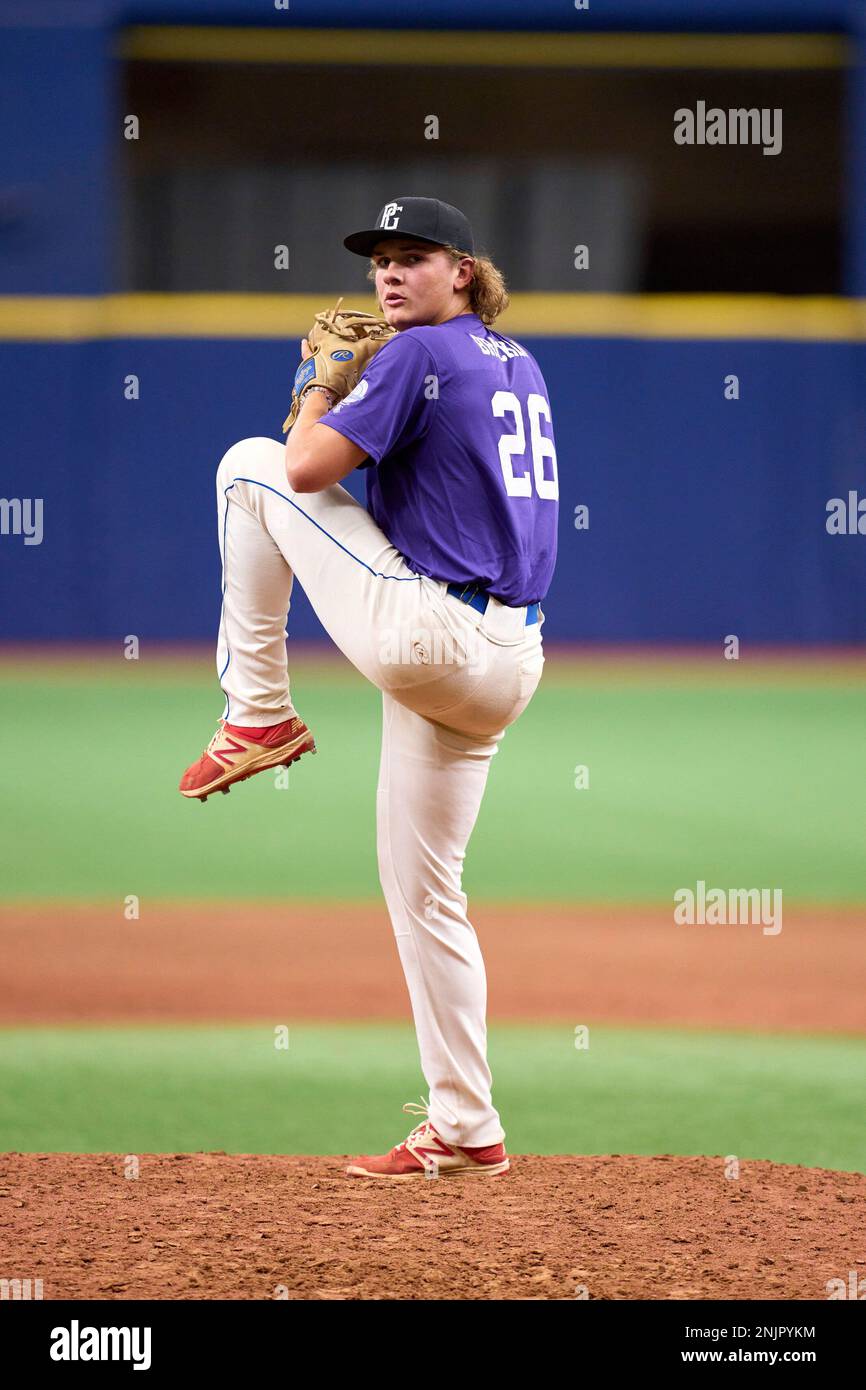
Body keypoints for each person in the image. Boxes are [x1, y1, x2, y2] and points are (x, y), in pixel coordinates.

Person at [179, 197, 559, 1179]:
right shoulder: (512, 361)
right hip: (502, 661)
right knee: (424, 893)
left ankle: (257, 710)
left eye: (414, 258)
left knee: (251, 464)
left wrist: (314, 386)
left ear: (463, 272)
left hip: (432, 633)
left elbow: (307, 468)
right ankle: (467, 1122)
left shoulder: (417, 357)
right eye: (381, 260)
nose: (390, 276)